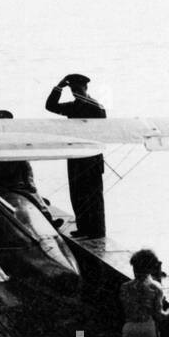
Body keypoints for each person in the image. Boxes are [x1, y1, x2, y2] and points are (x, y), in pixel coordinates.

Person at [45, 74, 107, 238]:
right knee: (77, 194)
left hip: (91, 158)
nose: (75, 92)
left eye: (77, 89)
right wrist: (59, 87)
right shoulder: (74, 106)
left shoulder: (96, 107)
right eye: (72, 89)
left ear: (86, 88)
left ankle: (97, 231)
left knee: (93, 197)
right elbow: (50, 106)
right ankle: (84, 227)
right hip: (76, 157)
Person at [120, 248, 169, 337]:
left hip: (129, 328)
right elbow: (159, 315)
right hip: (147, 328)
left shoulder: (125, 287)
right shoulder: (155, 287)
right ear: (151, 268)